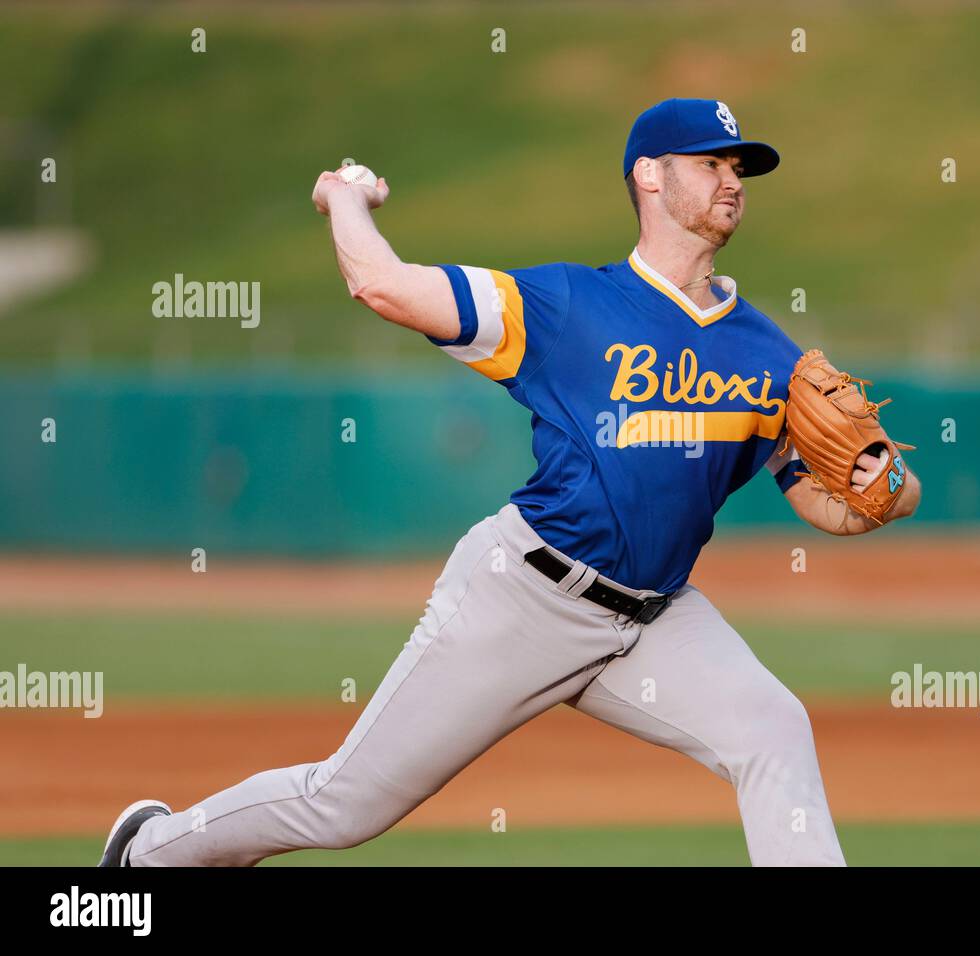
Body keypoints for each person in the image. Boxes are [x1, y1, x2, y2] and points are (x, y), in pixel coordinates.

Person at [100, 98, 920, 869]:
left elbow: (827, 504)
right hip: (525, 599)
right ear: (648, 175)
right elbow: (381, 285)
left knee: (773, 728)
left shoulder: (770, 355)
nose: (732, 180)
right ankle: (150, 852)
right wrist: (344, 200)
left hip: (656, 617)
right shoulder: (564, 303)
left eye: (740, 167)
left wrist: (886, 484)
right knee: (344, 806)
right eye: (711, 162)